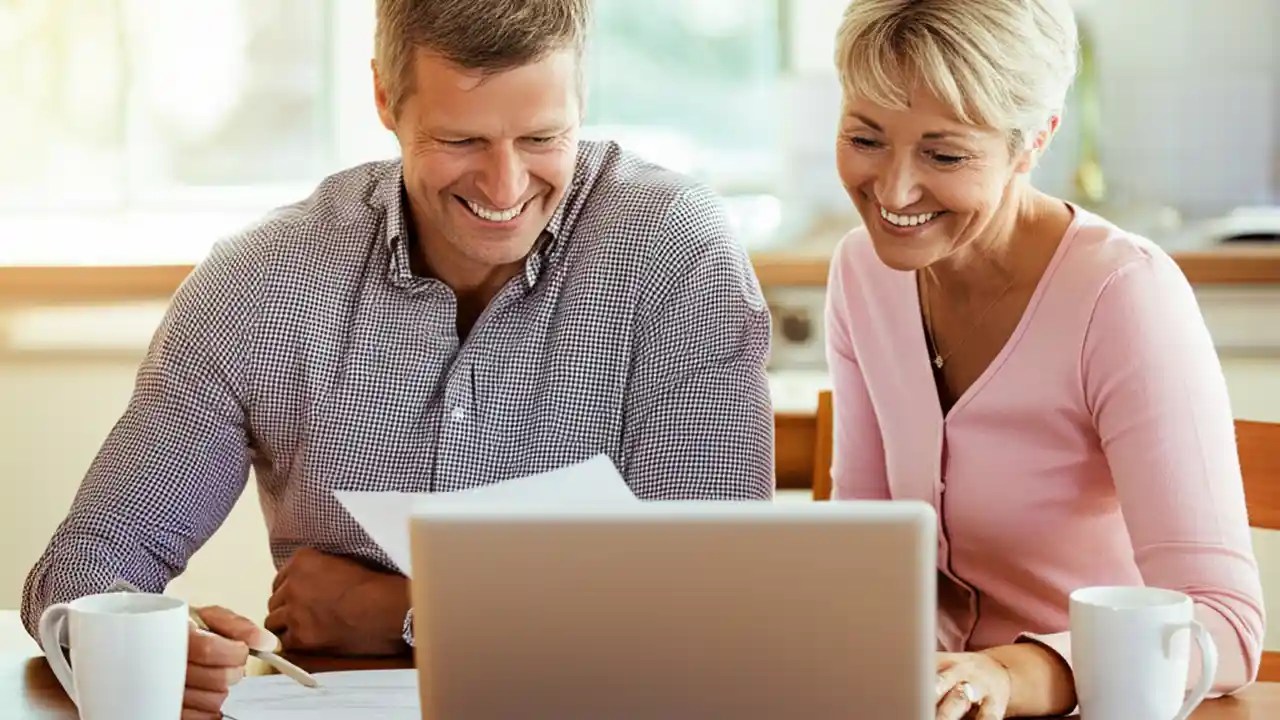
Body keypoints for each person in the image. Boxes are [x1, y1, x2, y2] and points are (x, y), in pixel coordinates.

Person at [22, 0, 775, 716]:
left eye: (543, 138)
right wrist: (136, 644)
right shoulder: (261, 283)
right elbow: (88, 558)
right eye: (462, 141)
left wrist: (401, 613)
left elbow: (712, 609)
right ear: (386, 97)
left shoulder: (678, 259)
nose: (506, 186)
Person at [824, 0, 1265, 717]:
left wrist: (1010, 675)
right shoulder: (862, 270)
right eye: (864, 138)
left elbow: (1224, 625)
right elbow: (865, 557)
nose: (894, 191)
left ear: (1033, 143)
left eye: (945, 154)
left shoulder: (1122, 296)